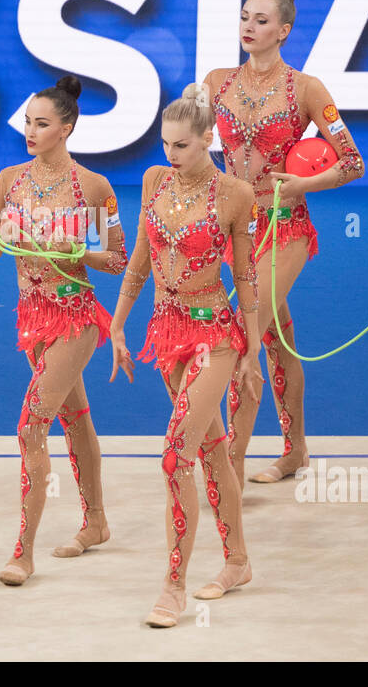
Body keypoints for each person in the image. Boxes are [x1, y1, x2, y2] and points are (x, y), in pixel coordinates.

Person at [108, 85, 263, 627]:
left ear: (207, 140)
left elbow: (244, 275)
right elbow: (142, 260)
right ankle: (238, 562)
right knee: (212, 451)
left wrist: (252, 353)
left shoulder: (235, 194)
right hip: (166, 335)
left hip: (214, 337)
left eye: (181, 146)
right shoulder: (153, 181)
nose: (170, 155)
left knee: (176, 455)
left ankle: (172, 585)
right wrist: (119, 323)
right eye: (165, 144)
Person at [203, 0, 365, 484]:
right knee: (275, 341)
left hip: (285, 229)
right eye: (245, 17)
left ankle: (230, 462)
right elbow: (191, 141)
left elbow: (353, 162)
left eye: (261, 20)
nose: (248, 27)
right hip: (236, 232)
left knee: (240, 336)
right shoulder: (214, 81)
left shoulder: (307, 89)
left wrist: (304, 184)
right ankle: (295, 451)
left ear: (284, 30)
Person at [0, 75, 127, 585]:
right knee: (75, 420)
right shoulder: (9, 179)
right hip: (31, 318)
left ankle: (23, 552)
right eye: (27, 122)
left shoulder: (93, 187)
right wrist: (4, 238)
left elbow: (120, 259)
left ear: (66, 128)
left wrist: (75, 250)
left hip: (76, 318)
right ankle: (97, 521)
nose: (30, 131)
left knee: (30, 425)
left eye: (42, 124)